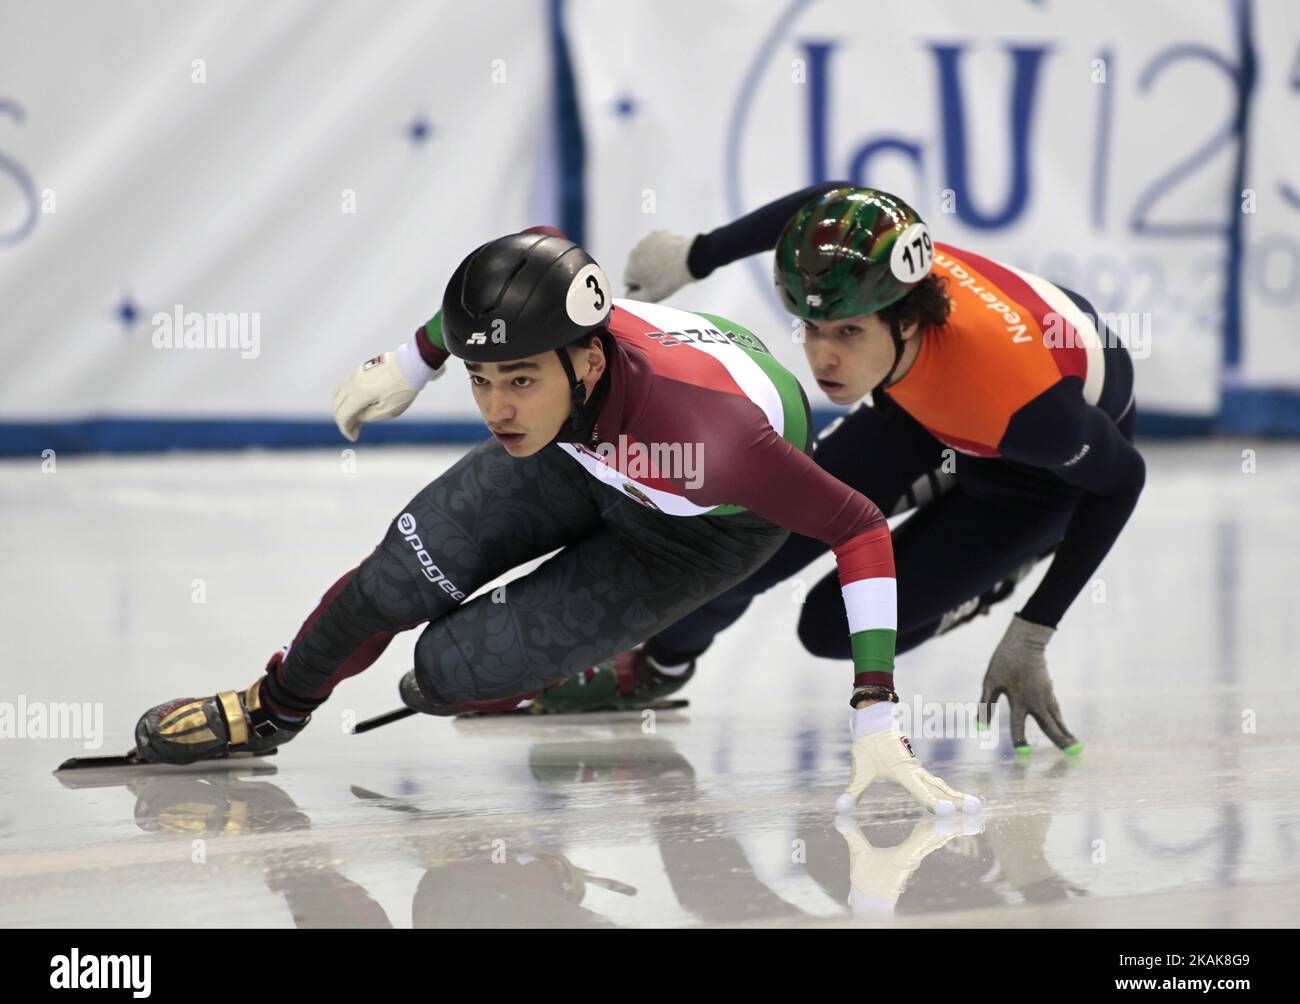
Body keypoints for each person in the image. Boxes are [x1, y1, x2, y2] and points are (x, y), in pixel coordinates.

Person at [132, 226, 980, 816]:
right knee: (390, 583)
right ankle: (272, 708)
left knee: (444, 676)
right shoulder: (550, 351)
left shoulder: (711, 436)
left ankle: (570, 654)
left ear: (587, 355)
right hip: (585, 448)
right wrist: (414, 362)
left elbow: (859, 527)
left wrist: (876, 713)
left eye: (520, 380)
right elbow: (515, 269)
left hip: (700, 525)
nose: (497, 408)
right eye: (480, 380)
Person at [534, 184, 1145, 754]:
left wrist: (1033, 629)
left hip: (1033, 475)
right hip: (917, 402)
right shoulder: (879, 270)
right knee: (748, 548)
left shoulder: (1029, 409)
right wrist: (699, 255)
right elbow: (832, 202)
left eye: (849, 332)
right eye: (813, 329)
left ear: (907, 319)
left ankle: (988, 584)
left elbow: (1122, 480)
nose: (824, 358)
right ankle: (658, 667)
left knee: (829, 629)